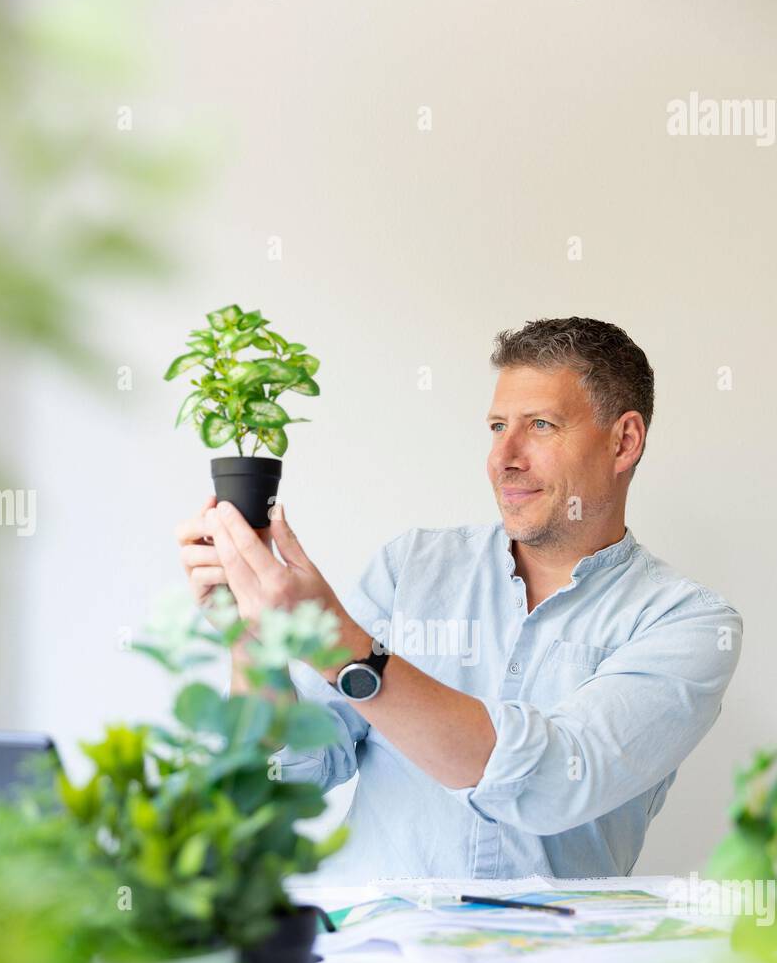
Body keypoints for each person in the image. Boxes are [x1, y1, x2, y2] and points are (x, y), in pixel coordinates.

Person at [177, 316, 742, 881]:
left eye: (540, 425)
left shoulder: (687, 623)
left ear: (624, 442)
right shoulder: (411, 569)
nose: (505, 457)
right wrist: (252, 643)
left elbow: (555, 780)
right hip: (374, 948)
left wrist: (338, 645)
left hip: (555, 959)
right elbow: (284, 778)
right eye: (497, 427)